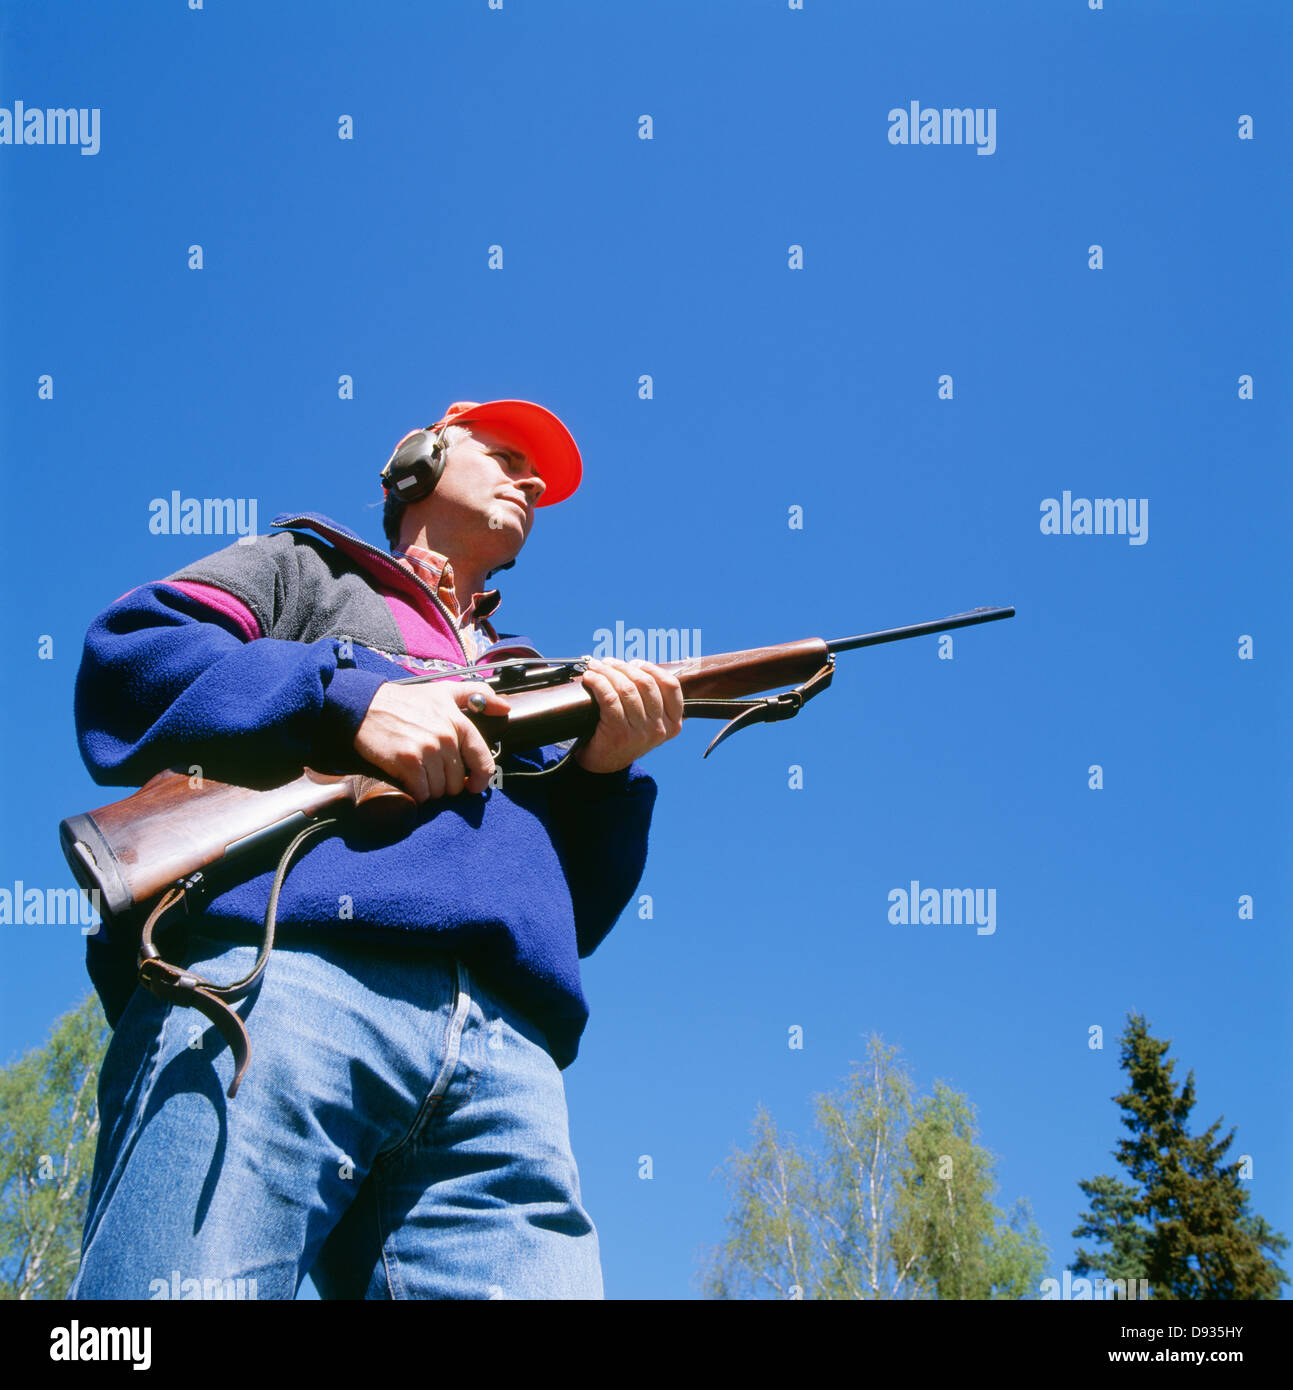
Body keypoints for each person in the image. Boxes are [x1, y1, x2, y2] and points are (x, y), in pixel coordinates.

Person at [69, 399, 682, 1300]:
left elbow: (571, 916)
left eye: (536, 477)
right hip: (280, 981)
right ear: (421, 460)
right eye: (506, 454)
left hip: (511, 1062)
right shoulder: (307, 565)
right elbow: (130, 657)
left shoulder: (537, 678)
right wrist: (350, 698)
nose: (533, 482)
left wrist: (601, 776)